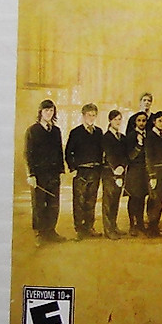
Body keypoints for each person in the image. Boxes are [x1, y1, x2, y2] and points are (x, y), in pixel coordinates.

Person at [25, 99, 65, 241]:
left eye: (51, 110)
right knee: (39, 204)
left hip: (53, 174)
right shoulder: (32, 130)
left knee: (54, 204)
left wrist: (61, 170)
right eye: (46, 110)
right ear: (40, 112)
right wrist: (31, 174)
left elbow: (59, 152)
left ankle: (51, 231)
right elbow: (28, 153)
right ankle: (39, 233)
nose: (49, 113)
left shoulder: (56, 131)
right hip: (38, 175)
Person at [64, 102, 104, 237]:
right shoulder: (76, 132)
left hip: (95, 171)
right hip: (81, 172)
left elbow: (102, 151)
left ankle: (89, 227)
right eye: (89, 115)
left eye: (94, 115)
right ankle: (80, 229)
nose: (91, 118)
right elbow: (68, 152)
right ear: (83, 115)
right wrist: (73, 168)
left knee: (91, 200)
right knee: (79, 201)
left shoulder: (99, 132)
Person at [123, 110, 150, 234]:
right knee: (134, 197)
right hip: (134, 170)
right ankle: (132, 224)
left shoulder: (148, 135)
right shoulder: (130, 136)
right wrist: (139, 145)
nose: (142, 123)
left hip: (145, 171)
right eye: (139, 120)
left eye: (144, 120)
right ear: (135, 122)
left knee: (142, 197)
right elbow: (129, 157)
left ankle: (140, 223)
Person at [101, 109, 127, 236]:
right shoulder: (106, 137)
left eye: (119, 119)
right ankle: (108, 230)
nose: (117, 122)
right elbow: (109, 155)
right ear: (110, 121)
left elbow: (125, 155)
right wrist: (116, 169)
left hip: (120, 172)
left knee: (116, 200)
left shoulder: (122, 137)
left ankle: (114, 226)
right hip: (109, 173)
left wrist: (122, 167)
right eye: (115, 119)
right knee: (108, 202)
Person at [144, 111, 162, 235]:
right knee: (154, 200)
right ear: (154, 121)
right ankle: (152, 228)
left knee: (159, 200)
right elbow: (148, 157)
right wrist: (152, 176)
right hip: (154, 173)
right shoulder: (150, 137)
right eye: (160, 121)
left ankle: (155, 226)